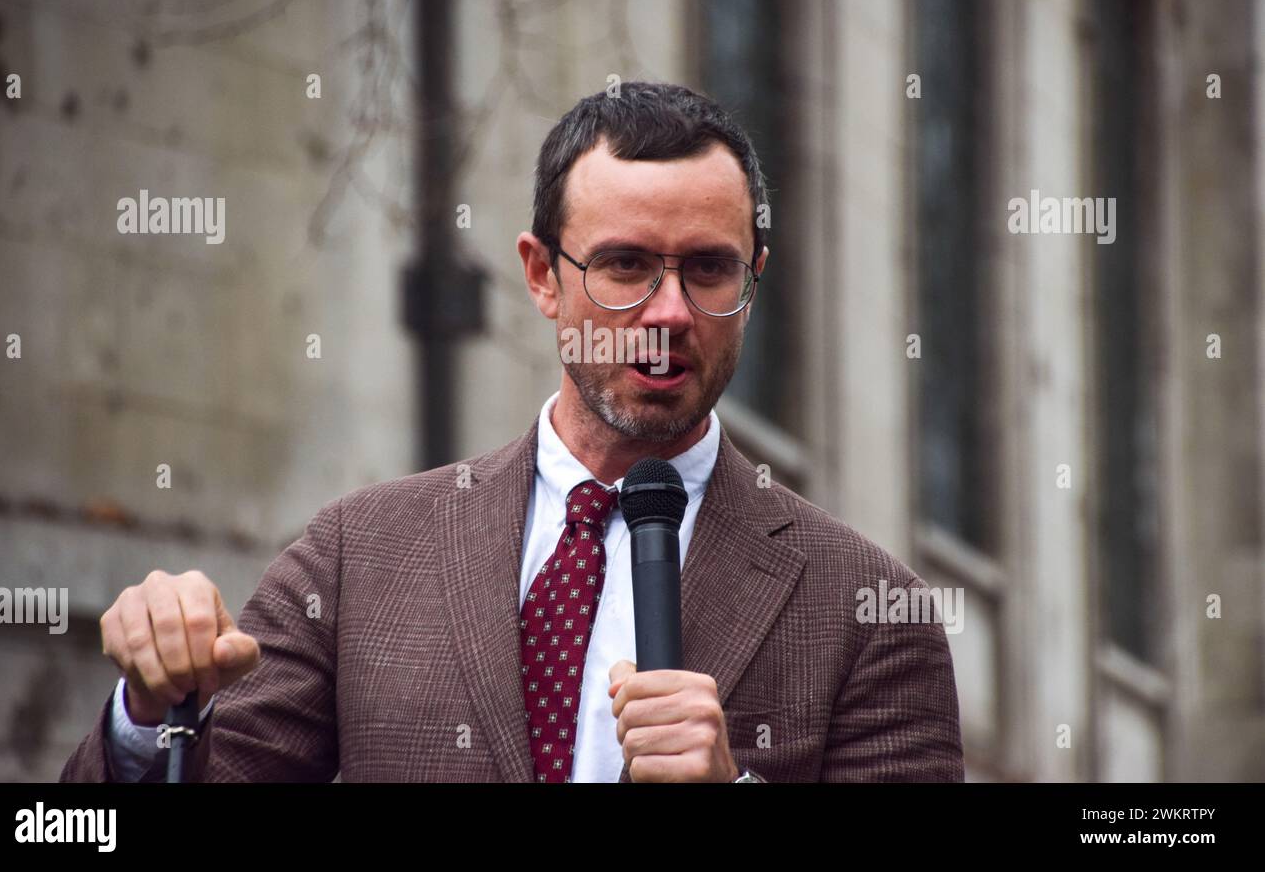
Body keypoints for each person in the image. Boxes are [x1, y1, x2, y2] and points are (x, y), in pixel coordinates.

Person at [61, 82, 963, 783]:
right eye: (625, 265)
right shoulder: (359, 556)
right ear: (541, 276)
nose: (670, 312)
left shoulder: (869, 612)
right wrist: (149, 712)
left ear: (753, 280)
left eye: (709, 270)